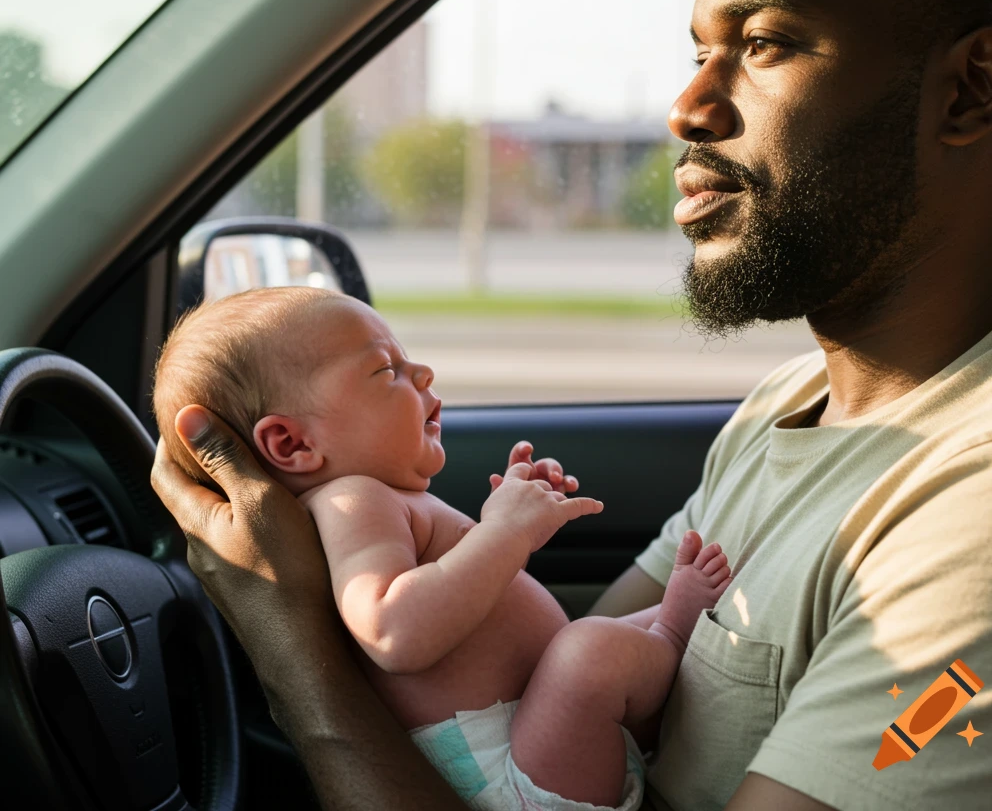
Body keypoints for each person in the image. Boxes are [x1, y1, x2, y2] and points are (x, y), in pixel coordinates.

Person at [152, 0, 992, 810]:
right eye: (699, 52)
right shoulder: (796, 399)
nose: (686, 105)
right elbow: (564, 660)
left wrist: (293, 652)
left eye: (764, 42)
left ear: (969, 89)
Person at [152, 286, 733, 810]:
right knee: (589, 652)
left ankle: (668, 638)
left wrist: (500, 523)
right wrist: (508, 533)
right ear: (292, 443)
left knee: (600, 644)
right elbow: (393, 631)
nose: (423, 373)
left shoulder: (380, 502)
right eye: (385, 370)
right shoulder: (351, 501)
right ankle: (674, 639)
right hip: (507, 776)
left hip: (534, 742)